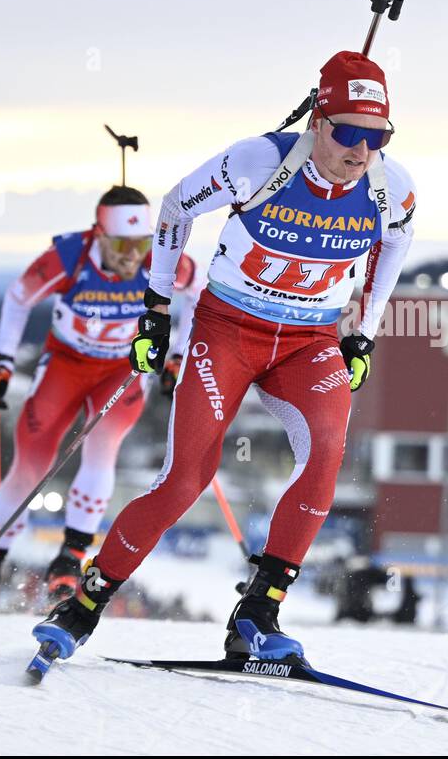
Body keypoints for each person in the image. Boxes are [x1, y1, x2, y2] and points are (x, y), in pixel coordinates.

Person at [33, 50, 416, 664]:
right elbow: (175, 208)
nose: (361, 150)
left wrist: (362, 333)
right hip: (229, 329)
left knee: (325, 455)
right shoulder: (257, 161)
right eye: (348, 132)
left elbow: (396, 244)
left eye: (378, 136)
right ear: (319, 121)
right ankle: (85, 603)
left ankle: (259, 613)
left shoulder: (389, 187)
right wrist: (156, 310)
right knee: (187, 478)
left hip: (309, 341)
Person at [0, 186, 200, 608]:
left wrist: (177, 356)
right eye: (121, 244)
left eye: (141, 242)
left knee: (102, 450)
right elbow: (18, 298)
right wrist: (2, 362)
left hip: (121, 368)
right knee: (31, 462)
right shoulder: (69, 256)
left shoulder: (161, 257)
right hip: (66, 364)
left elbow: (198, 293)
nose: (132, 255)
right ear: (98, 234)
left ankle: (69, 563)